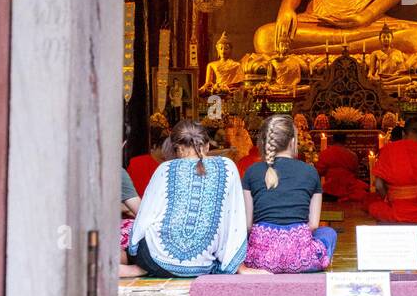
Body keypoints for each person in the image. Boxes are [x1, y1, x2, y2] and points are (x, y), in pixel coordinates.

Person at [126, 120, 248, 277]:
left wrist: (133, 252)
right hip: (201, 264)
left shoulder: (165, 168)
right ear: (208, 146)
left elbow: (145, 217)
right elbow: (234, 219)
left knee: (139, 243)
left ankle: (135, 269)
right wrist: (239, 265)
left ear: (178, 149)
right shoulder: (228, 166)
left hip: (155, 261)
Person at [241, 114, 338, 272]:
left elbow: (248, 225)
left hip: (260, 261)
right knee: (328, 232)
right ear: (293, 141)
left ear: (266, 142)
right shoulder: (310, 172)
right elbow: (313, 225)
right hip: (301, 260)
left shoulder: (252, 172)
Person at [316, 130, 368, 201]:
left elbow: (319, 172)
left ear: (332, 140)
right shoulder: (352, 155)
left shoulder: (325, 154)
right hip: (349, 189)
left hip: (330, 190)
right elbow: (356, 174)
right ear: (345, 141)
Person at [127, 113, 170, 196]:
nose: (167, 151)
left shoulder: (170, 164)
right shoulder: (136, 163)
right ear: (154, 146)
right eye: (163, 147)